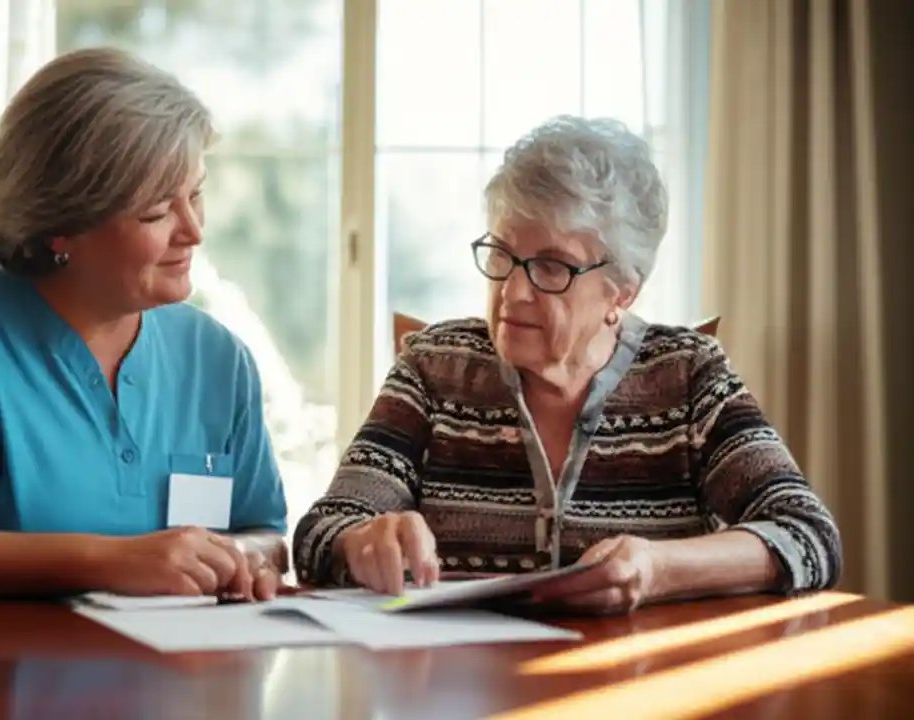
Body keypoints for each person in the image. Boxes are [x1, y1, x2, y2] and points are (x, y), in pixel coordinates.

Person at [294, 116, 841, 614]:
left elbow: (808, 533)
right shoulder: (434, 369)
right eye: (502, 255)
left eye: (551, 267)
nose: (513, 292)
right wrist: (360, 540)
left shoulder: (687, 375)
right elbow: (321, 531)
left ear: (621, 292)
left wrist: (658, 569)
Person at [0, 48, 287, 604]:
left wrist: (244, 558)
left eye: (196, 195)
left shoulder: (218, 359)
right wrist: (113, 561)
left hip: (166, 683)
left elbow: (264, 534)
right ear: (61, 227)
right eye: (157, 212)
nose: (193, 230)